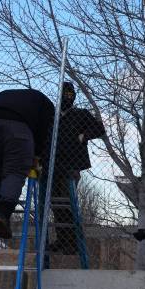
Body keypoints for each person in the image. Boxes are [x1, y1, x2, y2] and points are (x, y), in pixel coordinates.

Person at [0, 88, 55, 239]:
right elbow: (44, 134)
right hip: (19, 127)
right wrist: (37, 156)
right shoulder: (48, 108)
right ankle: (2, 216)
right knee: (15, 171)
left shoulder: (8, 95)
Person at [47, 82, 106, 253]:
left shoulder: (80, 114)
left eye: (71, 95)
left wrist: (83, 135)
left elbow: (99, 128)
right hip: (53, 166)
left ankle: (72, 242)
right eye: (65, 95)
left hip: (72, 165)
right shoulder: (53, 116)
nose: (68, 98)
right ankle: (62, 240)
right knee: (55, 204)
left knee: (67, 201)